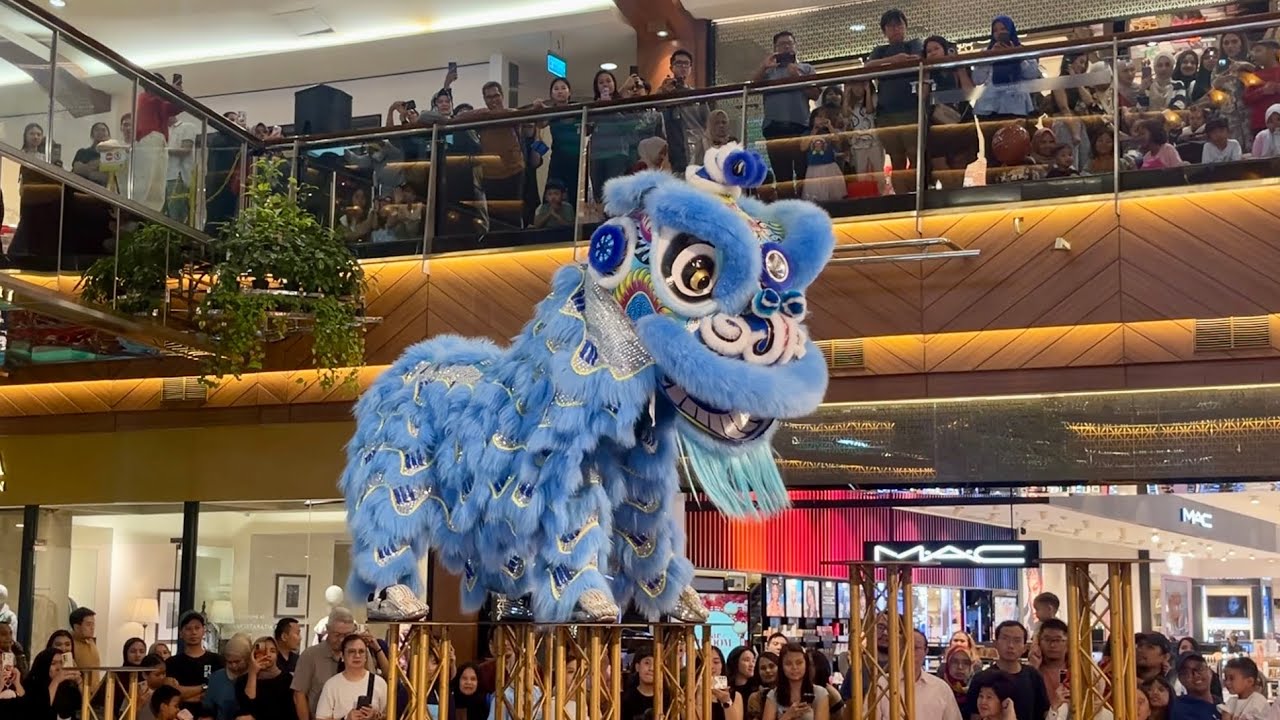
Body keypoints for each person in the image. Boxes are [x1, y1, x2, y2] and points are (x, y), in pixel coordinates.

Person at [754, 31, 818, 198]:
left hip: (800, 127)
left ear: (795, 46)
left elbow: (815, 94)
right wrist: (764, 67)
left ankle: (805, 209)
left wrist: (797, 76)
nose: (786, 46)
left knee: (803, 172)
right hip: (774, 128)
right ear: (775, 48)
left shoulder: (806, 68)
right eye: (782, 44)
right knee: (783, 176)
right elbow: (753, 87)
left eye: (790, 43)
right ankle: (787, 213)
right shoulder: (769, 72)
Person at [867, 9, 923, 194]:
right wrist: (895, 60)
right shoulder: (879, 50)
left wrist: (888, 63)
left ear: (905, 27)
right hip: (886, 113)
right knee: (896, 158)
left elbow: (917, 60)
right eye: (891, 26)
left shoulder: (914, 44)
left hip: (911, 109)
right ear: (884, 31)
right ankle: (901, 198)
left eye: (899, 25)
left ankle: (918, 193)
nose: (896, 29)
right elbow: (868, 67)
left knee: (915, 155)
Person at [963, 621, 1049, 720]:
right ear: (995, 643)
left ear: (1025, 647)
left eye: (1017, 640)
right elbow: (974, 715)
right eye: (1005, 639)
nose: (1010, 645)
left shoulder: (1033, 676)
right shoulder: (982, 678)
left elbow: (1043, 712)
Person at [878, 630, 961, 720]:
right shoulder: (883, 683)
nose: (910, 652)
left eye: (916, 648)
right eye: (904, 647)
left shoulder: (941, 688)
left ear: (926, 651)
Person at [292, 607, 355, 720]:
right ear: (327, 629)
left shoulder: (359, 654)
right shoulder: (310, 655)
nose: (341, 640)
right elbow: (299, 695)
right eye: (337, 635)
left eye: (346, 635)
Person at [133, 75, 184, 211]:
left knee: (158, 181)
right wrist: (172, 92)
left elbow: (177, 107)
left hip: (160, 140)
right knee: (147, 179)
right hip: (149, 138)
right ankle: (140, 211)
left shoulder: (159, 102)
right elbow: (168, 103)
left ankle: (153, 213)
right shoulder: (143, 97)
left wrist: (178, 92)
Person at [657, 49, 708, 173]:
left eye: (686, 64)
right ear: (671, 67)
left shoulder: (697, 95)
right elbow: (656, 112)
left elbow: (707, 121)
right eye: (679, 64)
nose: (683, 67)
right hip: (676, 148)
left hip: (698, 146)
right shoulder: (665, 91)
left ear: (690, 68)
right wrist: (663, 93)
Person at [166, 611, 225, 717]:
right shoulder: (172, 662)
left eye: (197, 628)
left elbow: (217, 693)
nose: (193, 632)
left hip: (210, 715)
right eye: (188, 629)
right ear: (181, 633)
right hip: (180, 715)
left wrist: (187, 694)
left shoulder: (217, 660)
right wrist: (204, 687)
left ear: (204, 631)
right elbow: (174, 694)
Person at [314, 635, 387, 720]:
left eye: (361, 651)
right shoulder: (331, 685)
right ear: (342, 655)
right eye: (351, 651)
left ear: (366, 656)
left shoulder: (379, 683)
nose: (357, 655)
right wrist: (346, 718)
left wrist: (376, 716)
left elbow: (389, 715)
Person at [762, 643, 828, 720]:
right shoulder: (773, 695)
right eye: (788, 663)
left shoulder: (820, 693)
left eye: (799, 663)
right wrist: (788, 716)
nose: (794, 667)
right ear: (781, 667)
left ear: (806, 664)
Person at [238, 636, 297, 720]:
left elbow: (291, 713)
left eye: (272, 651)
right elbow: (246, 708)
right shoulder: (243, 680)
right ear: (254, 653)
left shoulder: (287, 679)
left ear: (277, 654)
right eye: (263, 651)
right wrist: (252, 674)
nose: (268, 655)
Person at [205, 634, 251, 719]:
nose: (233, 665)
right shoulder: (216, 678)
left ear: (248, 658)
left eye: (237, 661)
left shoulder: (258, 677)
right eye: (229, 662)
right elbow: (208, 709)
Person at [1244, 40, 1280, 137]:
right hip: (1260, 124)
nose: (1254, 55)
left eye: (1258, 51)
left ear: (1273, 51)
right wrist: (1262, 91)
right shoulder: (1254, 76)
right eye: (1253, 52)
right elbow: (1246, 99)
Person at [1169, 654, 1218, 720]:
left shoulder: (1222, 704)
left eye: (1200, 668)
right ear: (1181, 679)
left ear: (1210, 671)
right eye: (1187, 672)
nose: (1196, 675)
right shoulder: (1181, 708)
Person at [620, 647, 663, 720]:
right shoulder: (625, 699)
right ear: (637, 667)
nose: (651, 668)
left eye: (656, 664)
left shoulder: (667, 699)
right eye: (647, 663)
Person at [70, 607, 101, 694]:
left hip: (95, 694)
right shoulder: (69, 644)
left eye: (93, 624)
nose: (92, 628)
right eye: (88, 624)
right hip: (77, 695)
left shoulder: (90, 641)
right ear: (77, 627)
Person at [72, 122, 112, 187]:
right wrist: (97, 171)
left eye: (103, 130)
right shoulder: (82, 152)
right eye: (97, 130)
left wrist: (87, 169)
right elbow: (77, 169)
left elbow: (106, 178)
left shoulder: (112, 156)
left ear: (109, 135)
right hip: (82, 189)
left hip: (103, 193)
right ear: (92, 135)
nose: (100, 132)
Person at [746, 652, 780, 720]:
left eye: (771, 666)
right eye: (763, 668)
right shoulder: (755, 698)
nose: (767, 670)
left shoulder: (791, 690)